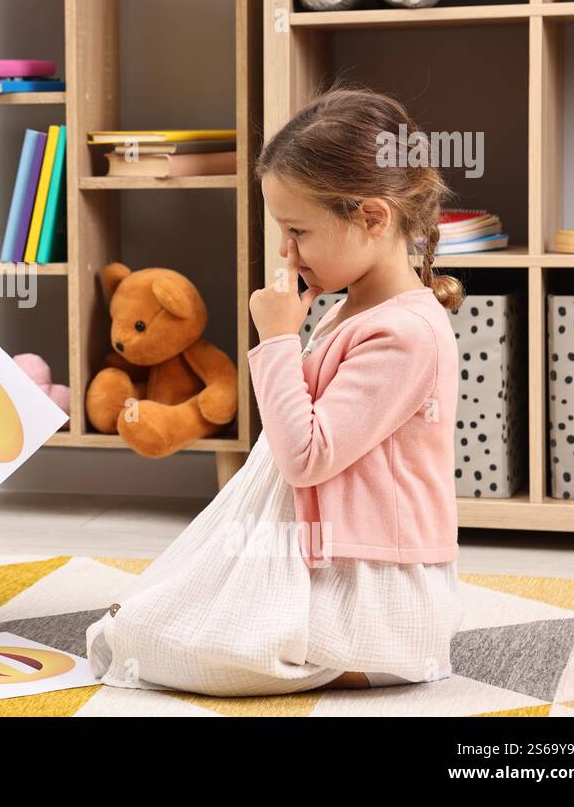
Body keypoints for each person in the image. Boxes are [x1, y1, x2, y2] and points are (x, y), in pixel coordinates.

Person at [86, 85, 466, 696]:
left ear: (372, 217)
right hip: (318, 551)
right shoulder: (351, 308)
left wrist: (278, 341)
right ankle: (316, 646)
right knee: (140, 629)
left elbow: (307, 456)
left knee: (163, 649)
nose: (287, 252)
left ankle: (375, 651)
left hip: (365, 573)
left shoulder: (407, 333)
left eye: (298, 231)